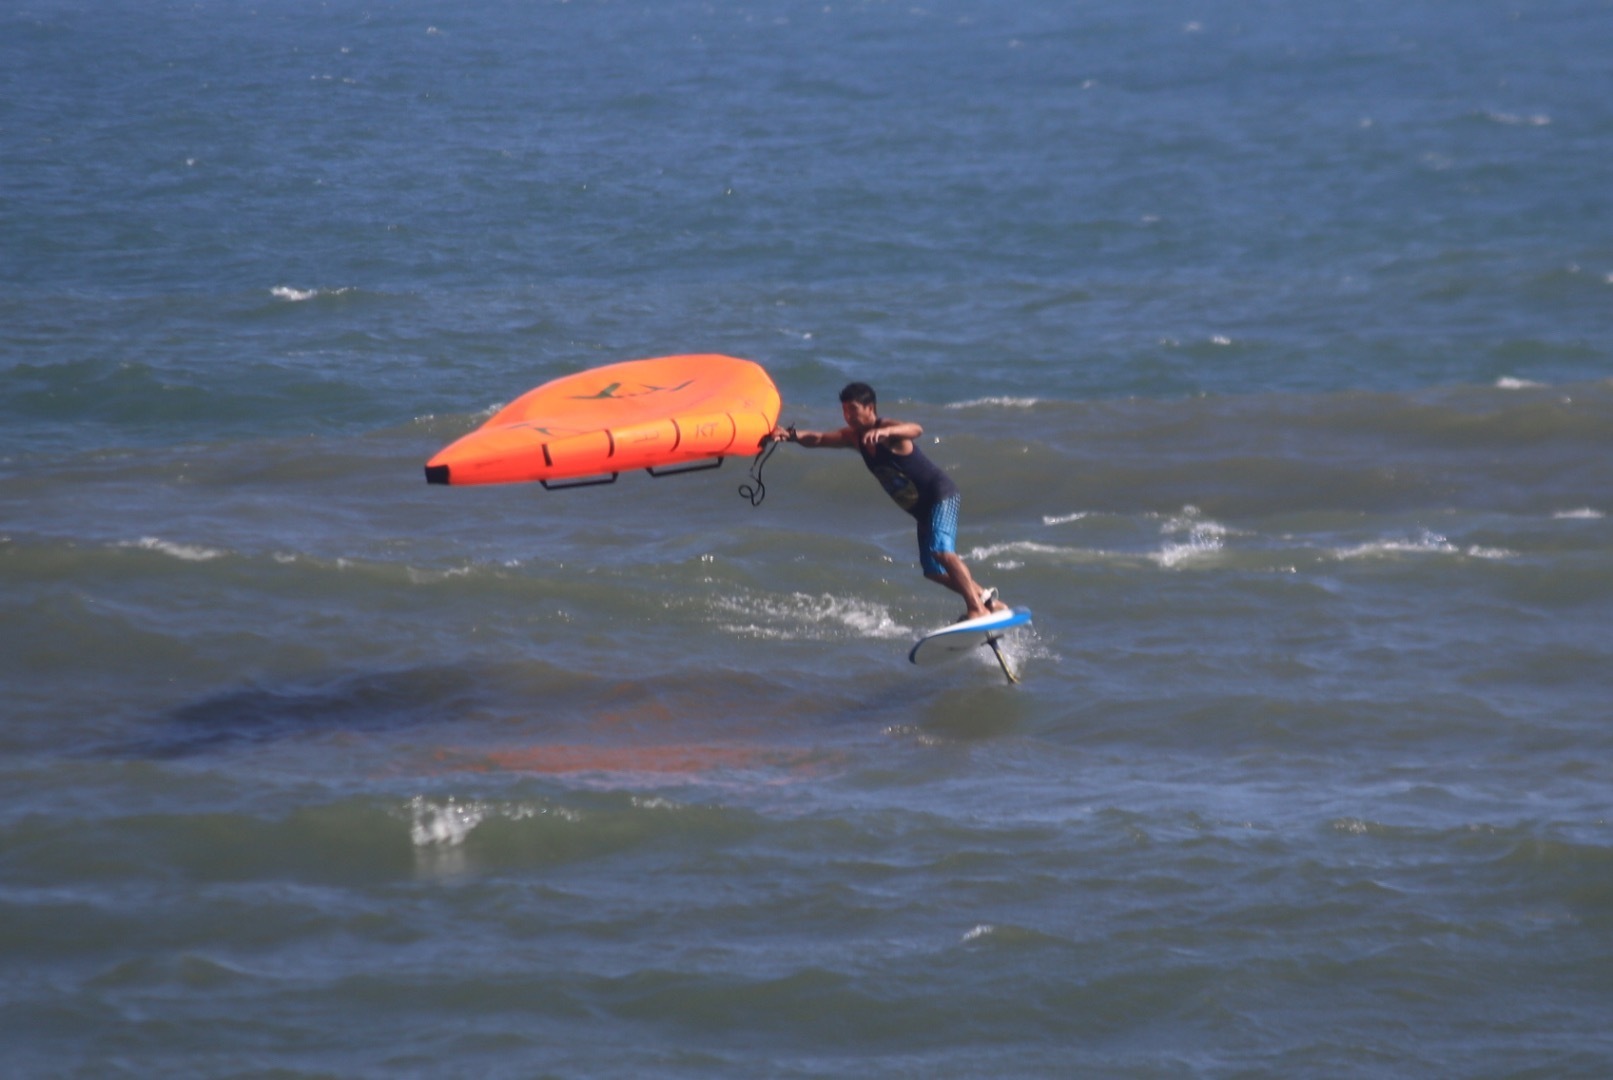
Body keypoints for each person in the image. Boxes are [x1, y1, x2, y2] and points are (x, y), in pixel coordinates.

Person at [772, 382, 1007, 620]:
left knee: (941, 552)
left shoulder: (887, 431)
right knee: (933, 571)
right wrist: (790, 435)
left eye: (853, 410)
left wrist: (887, 433)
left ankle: (976, 609)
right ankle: (991, 603)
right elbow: (819, 439)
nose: (848, 416)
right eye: (844, 411)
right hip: (922, 510)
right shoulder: (854, 437)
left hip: (940, 495)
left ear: (870, 407)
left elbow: (916, 429)